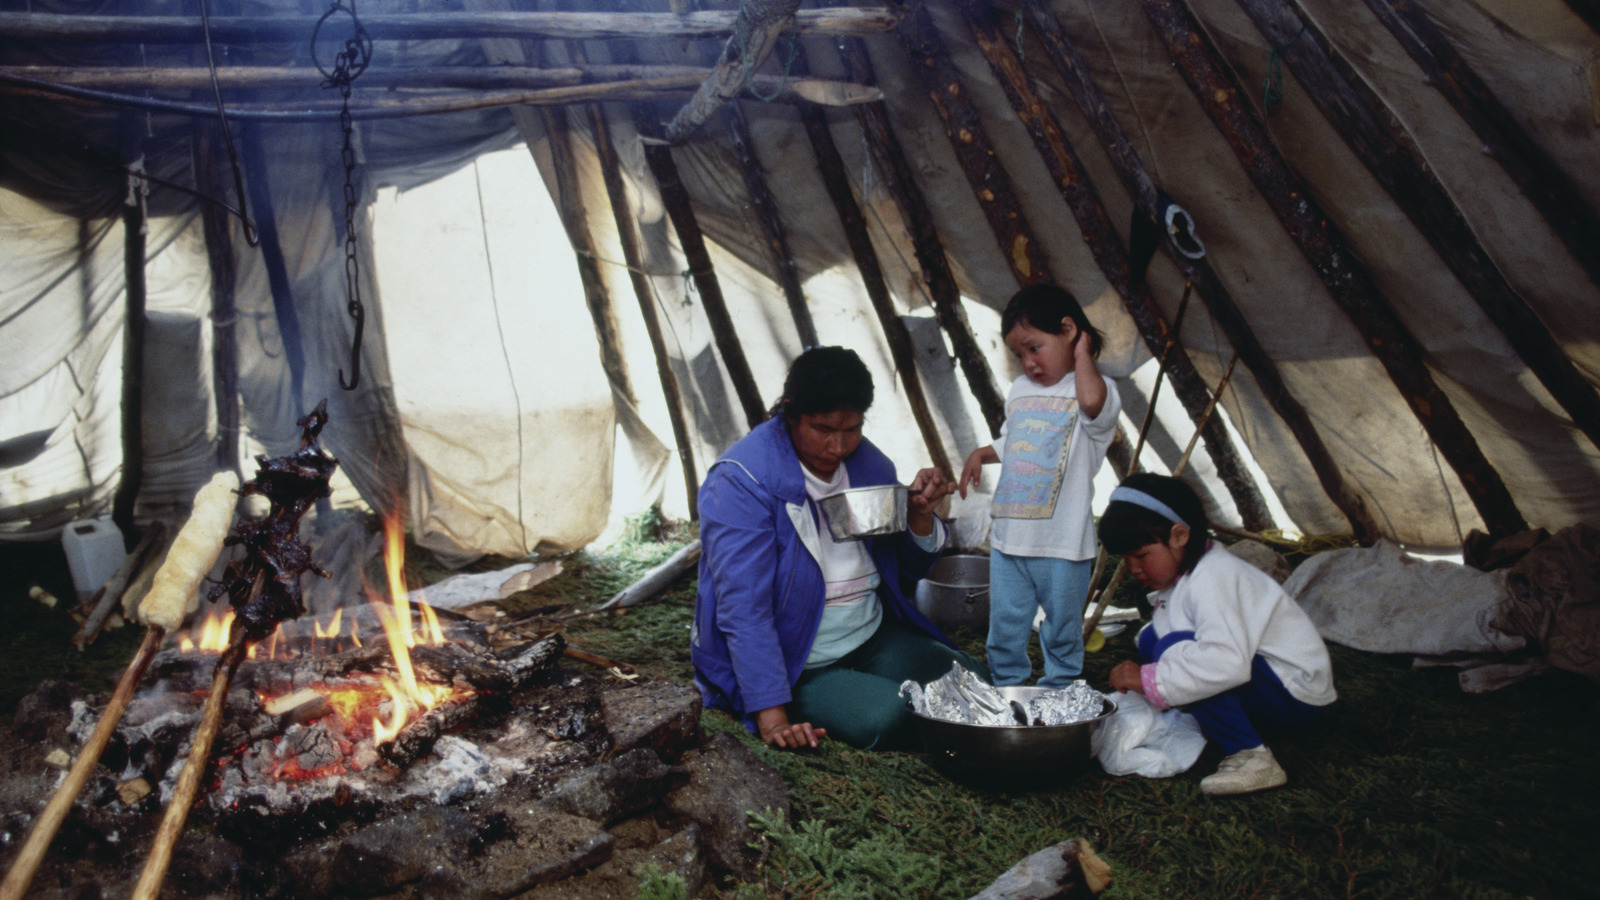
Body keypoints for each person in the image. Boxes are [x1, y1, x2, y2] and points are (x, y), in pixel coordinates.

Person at [691, 346, 987, 751]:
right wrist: (772, 715)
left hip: (868, 636)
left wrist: (917, 515)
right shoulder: (743, 482)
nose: (839, 446)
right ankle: (804, 695)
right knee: (892, 717)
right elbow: (743, 608)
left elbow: (902, 573)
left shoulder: (869, 467)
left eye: (852, 429)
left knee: (971, 680)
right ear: (790, 413)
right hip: (798, 660)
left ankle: (867, 684)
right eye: (824, 429)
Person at [1099, 473, 1337, 796]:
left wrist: (1149, 680)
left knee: (1175, 651)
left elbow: (1224, 662)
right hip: (1269, 678)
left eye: (1141, 556)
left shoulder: (1214, 578)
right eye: (1126, 559)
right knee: (1154, 640)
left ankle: (1250, 755)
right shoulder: (1192, 569)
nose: (1133, 568)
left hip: (1295, 692)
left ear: (1179, 536)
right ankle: (1220, 716)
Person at [957, 284, 1121, 687]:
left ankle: (1060, 688)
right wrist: (982, 452)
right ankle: (1007, 687)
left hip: (1063, 544)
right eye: (1018, 354)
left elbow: (1092, 406)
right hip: (1011, 537)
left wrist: (1082, 353)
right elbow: (1015, 438)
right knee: (1006, 623)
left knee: (1063, 626)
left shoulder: (1094, 392)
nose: (1028, 363)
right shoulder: (1020, 391)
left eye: (1034, 347)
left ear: (1068, 329)